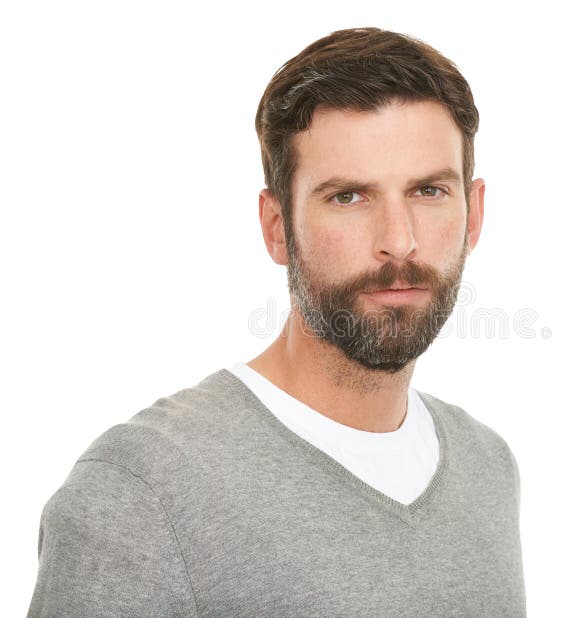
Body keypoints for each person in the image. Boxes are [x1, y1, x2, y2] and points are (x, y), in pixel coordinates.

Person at [27, 27, 526, 616]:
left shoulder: (488, 466)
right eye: (348, 197)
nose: (399, 242)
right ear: (276, 227)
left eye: (428, 190)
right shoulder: (139, 493)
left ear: (474, 215)